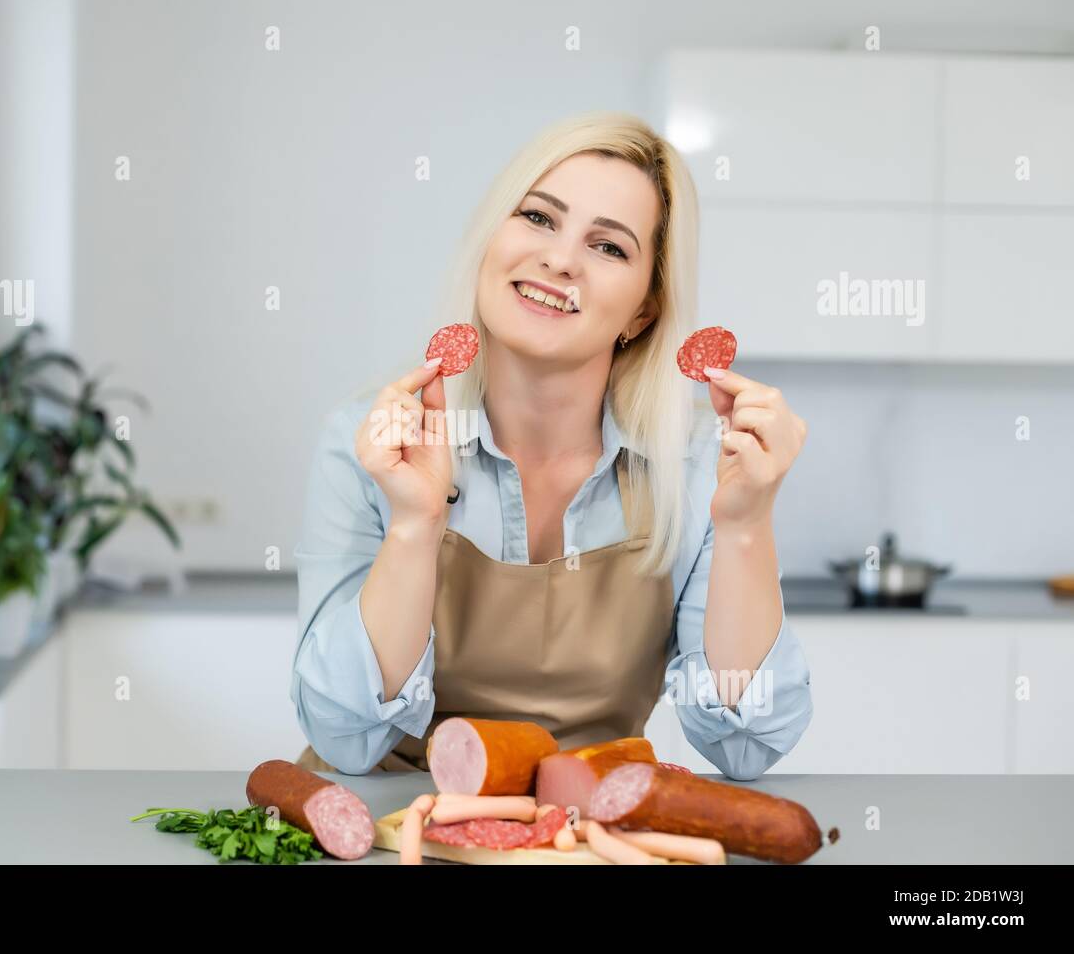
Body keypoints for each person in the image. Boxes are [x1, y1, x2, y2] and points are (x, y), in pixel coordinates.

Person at [289, 111, 811, 781]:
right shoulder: (372, 442)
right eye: (538, 218)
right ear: (491, 238)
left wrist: (744, 526)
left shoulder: (701, 465)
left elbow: (746, 745)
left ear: (643, 312)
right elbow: (343, 738)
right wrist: (414, 526)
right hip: (392, 831)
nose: (560, 259)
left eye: (609, 247)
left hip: (587, 834)